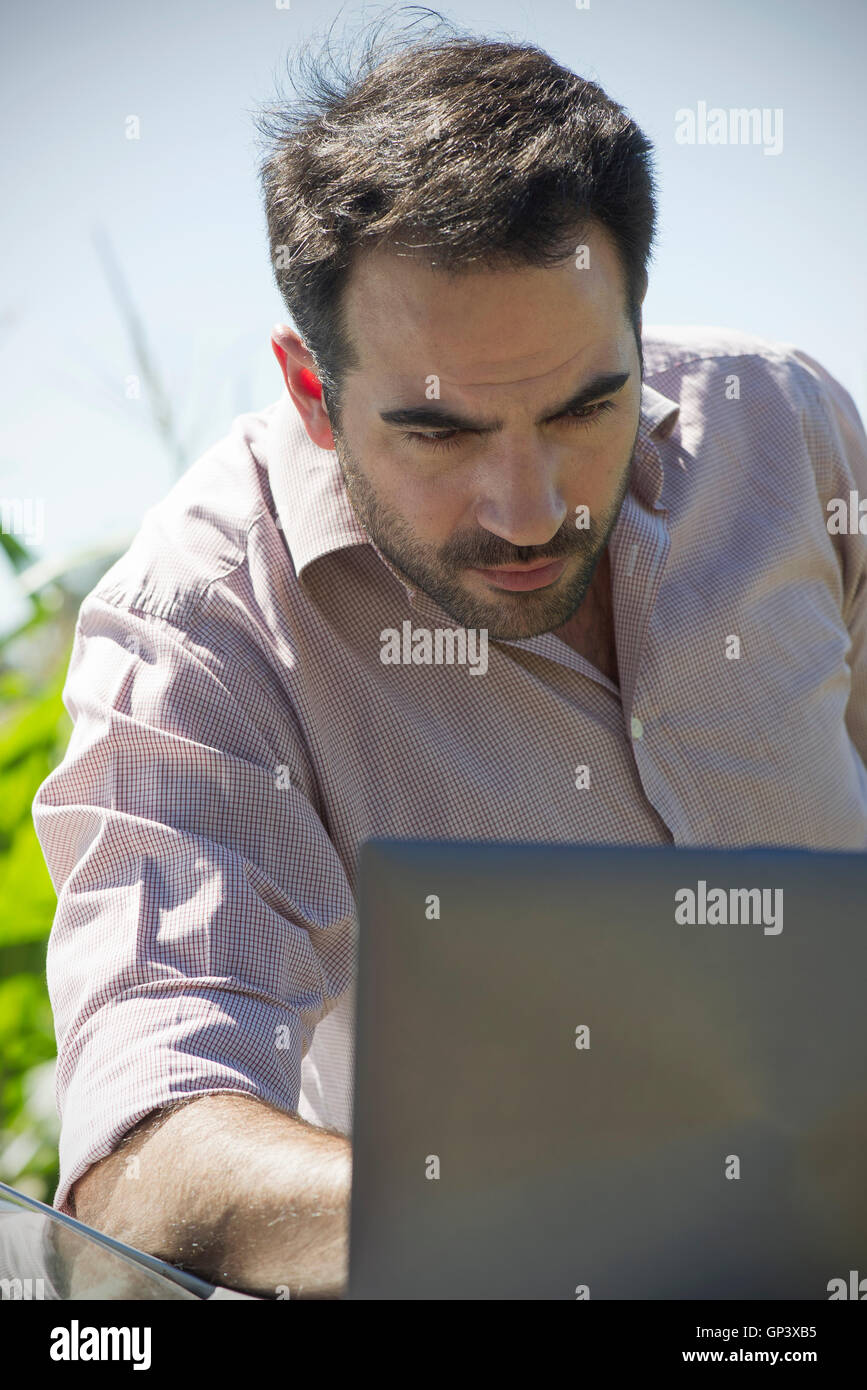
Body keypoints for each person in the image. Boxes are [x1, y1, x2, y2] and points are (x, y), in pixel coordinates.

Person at [31, 11, 867, 1299]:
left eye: (588, 407)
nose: (529, 511)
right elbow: (148, 1172)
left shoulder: (789, 433)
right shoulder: (203, 629)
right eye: (437, 434)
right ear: (312, 393)